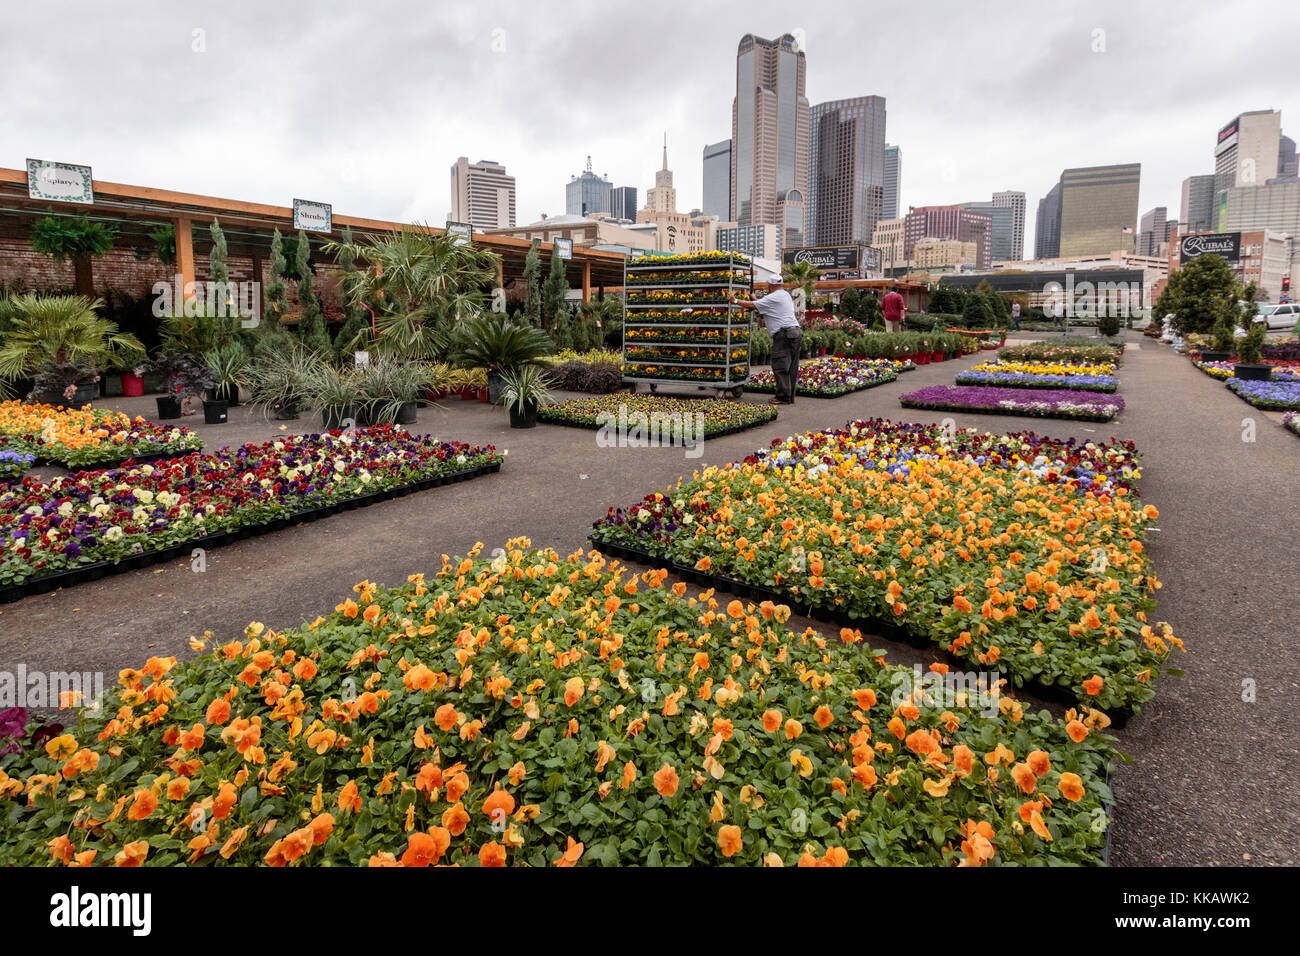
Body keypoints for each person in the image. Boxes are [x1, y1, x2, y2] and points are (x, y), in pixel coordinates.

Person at [730, 278, 801, 405]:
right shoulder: (785, 295)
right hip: (794, 333)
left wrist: (734, 300)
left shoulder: (773, 297)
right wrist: (755, 298)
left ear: (771, 286)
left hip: (784, 335)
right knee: (791, 366)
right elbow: (764, 306)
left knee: (780, 365)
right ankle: (789, 397)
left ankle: (783, 397)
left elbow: (753, 306)